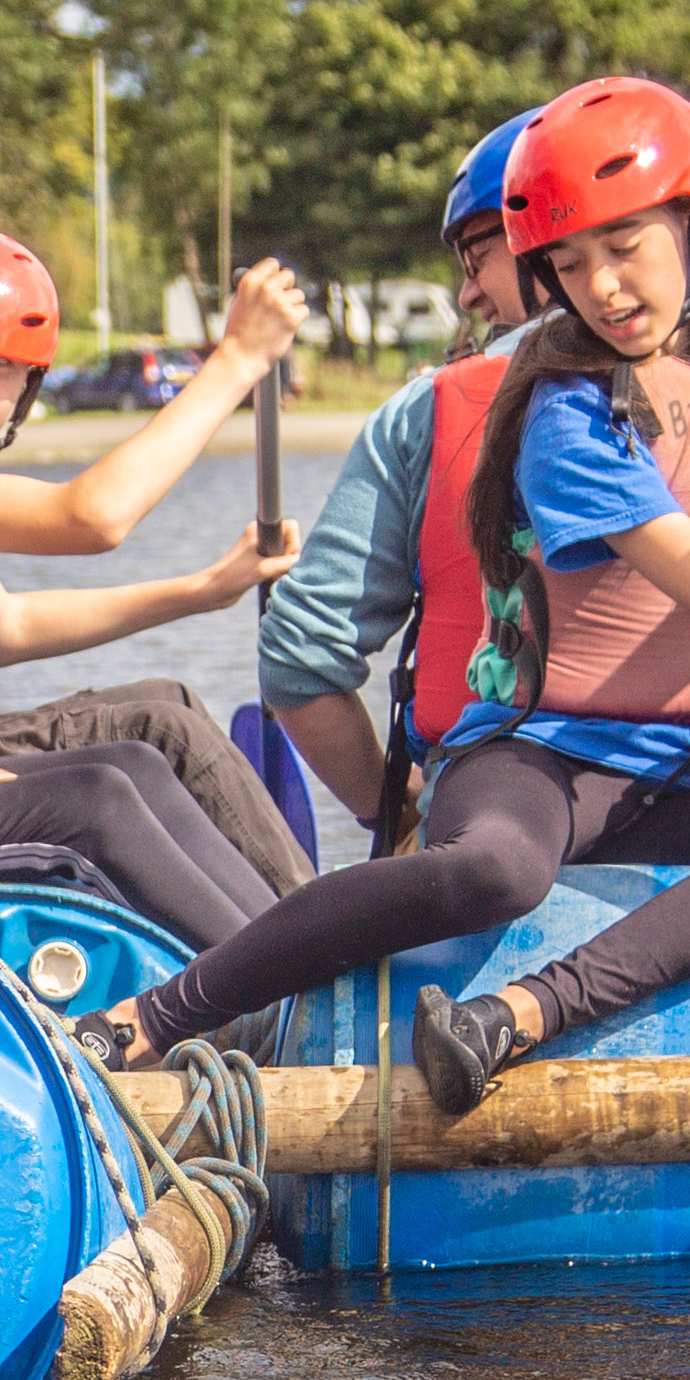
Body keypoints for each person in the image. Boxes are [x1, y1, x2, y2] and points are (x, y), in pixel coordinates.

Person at [70, 76, 690, 1108]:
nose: (601, 287)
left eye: (624, 247)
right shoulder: (566, 413)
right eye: (568, 263)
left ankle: (523, 1014)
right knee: (497, 873)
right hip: (541, 758)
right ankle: (153, 1015)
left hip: (688, 772)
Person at [0, 232, 290, 945]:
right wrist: (237, 360)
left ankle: (301, 947)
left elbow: (1, 626)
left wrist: (202, 590)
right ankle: (281, 972)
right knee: (129, 762)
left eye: (1, 369)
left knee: (144, 746)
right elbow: (92, 516)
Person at [250, 108, 537, 850]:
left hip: (486, 819)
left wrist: (394, 810)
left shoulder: (427, 410)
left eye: (478, 260)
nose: (469, 297)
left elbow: (297, 658)